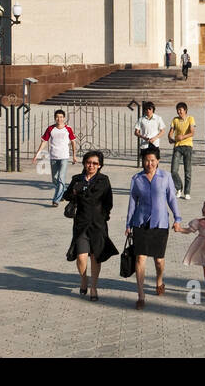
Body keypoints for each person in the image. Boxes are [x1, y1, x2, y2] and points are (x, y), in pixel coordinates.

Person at [124, 146, 183, 310]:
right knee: (140, 258)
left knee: (158, 260)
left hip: (160, 223)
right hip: (141, 223)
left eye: (152, 160)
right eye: (146, 160)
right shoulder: (137, 179)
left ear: (158, 161)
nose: (149, 163)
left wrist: (177, 219)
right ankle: (141, 295)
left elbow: (172, 199)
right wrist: (128, 224)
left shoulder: (166, 177)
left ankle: (159, 280)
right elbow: (132, 203)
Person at [62, 150, 118, 301]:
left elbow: (108, 202)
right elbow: (65, 196)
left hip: (98, 225)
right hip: (81, 224)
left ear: (100, 165)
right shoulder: (77, 179)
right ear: (84, 163)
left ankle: (93, 287)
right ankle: (83, 279)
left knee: (95, 257)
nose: (91, 165)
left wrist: (103, 216)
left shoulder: (104, 180)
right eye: (88, 162)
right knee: (81, 257)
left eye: (95, 163)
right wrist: (75, 190)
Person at [33, 109, 75, 207]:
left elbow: (73, 141)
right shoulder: (50, 129)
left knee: (61, 178)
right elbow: (44, 141)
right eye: (57, 117)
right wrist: (37, 154)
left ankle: (56, 200)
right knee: (55, 179)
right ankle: (64, 193)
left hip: (64, 156)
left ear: (64, 118)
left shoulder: (68, 129)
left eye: (61, 117)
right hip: (54, 156)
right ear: (55, 118)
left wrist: (74, 156)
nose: (59, 119)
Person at [169, 101, 195, 199]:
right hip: (177, 147)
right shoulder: (175, 120)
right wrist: (170, 138)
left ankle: (187, 192)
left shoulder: (190, 119)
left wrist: (182, 137)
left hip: (187, 146)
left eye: (181, 110)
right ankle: (179, 187)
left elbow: (192, 132)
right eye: (178, 110)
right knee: (173, 170)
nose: (179, 111)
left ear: (185, 110)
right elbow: (171, 132)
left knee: (187, 171)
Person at [135, 101, 166, 167]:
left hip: (154, 144)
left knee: (155, 164)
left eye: (150, 109)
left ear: (153, 110)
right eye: (146, 109)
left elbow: (162, 131)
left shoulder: (158, 118)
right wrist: (143, 137)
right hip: (144, 144)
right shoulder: (141, 119)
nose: (148, 111)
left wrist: (155, 138)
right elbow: (136, 132)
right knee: (145, 164)